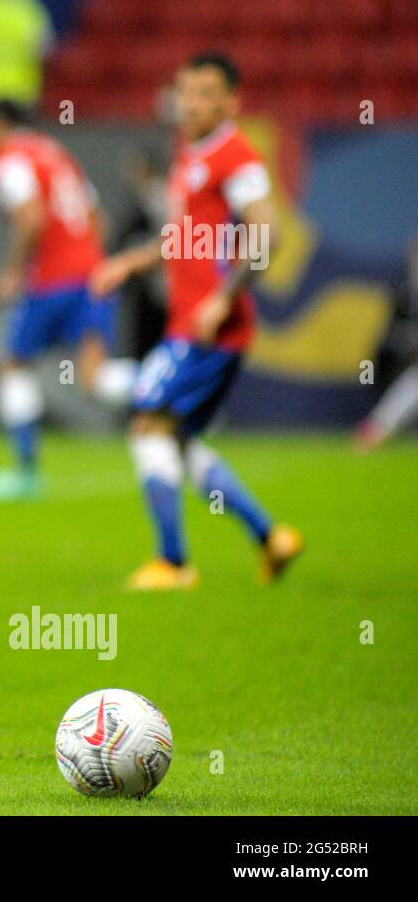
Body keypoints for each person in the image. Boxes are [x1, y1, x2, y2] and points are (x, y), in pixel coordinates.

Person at [92, 53, 303, 591]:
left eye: (205, 93)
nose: (191, 103)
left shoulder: (236, 156)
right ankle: (270, 537)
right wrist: (130, 262)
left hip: (206, 331)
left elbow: (269, 233)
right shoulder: (190, 153)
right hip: (192, 325)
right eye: (185, 91)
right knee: (177, 440)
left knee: (146, 423)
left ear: (232, 102)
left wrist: (224, 297)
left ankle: (173, 562)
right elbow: (184, 237)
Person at [0, 99, 133, 500]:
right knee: (96, 380)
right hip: (91, 274)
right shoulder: (54, 151)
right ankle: (177, 388)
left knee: (12, 365)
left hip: (53, 280)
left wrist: (13, 269)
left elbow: (31, 218)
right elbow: (100, 219)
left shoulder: (8, 158)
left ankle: (26, 473)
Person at [355, 234, 418, 450]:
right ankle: (377, 427)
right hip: (397, 357)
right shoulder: (404, 291)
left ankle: (378, 427)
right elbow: (392, 330)